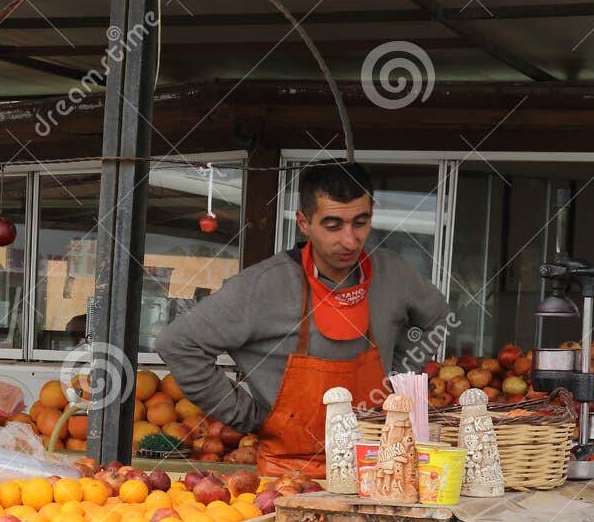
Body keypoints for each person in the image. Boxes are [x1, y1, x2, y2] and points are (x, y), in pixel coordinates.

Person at [156, 162, 452, 476]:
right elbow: (177, 344)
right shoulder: (263, 285)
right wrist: (252, 417)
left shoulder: (394, 273)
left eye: (360, 222)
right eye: (333, 225)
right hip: (290, 479)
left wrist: (398, 382)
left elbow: (436, 318)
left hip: (378, 472)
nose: (350, 240)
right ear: (303, 222)